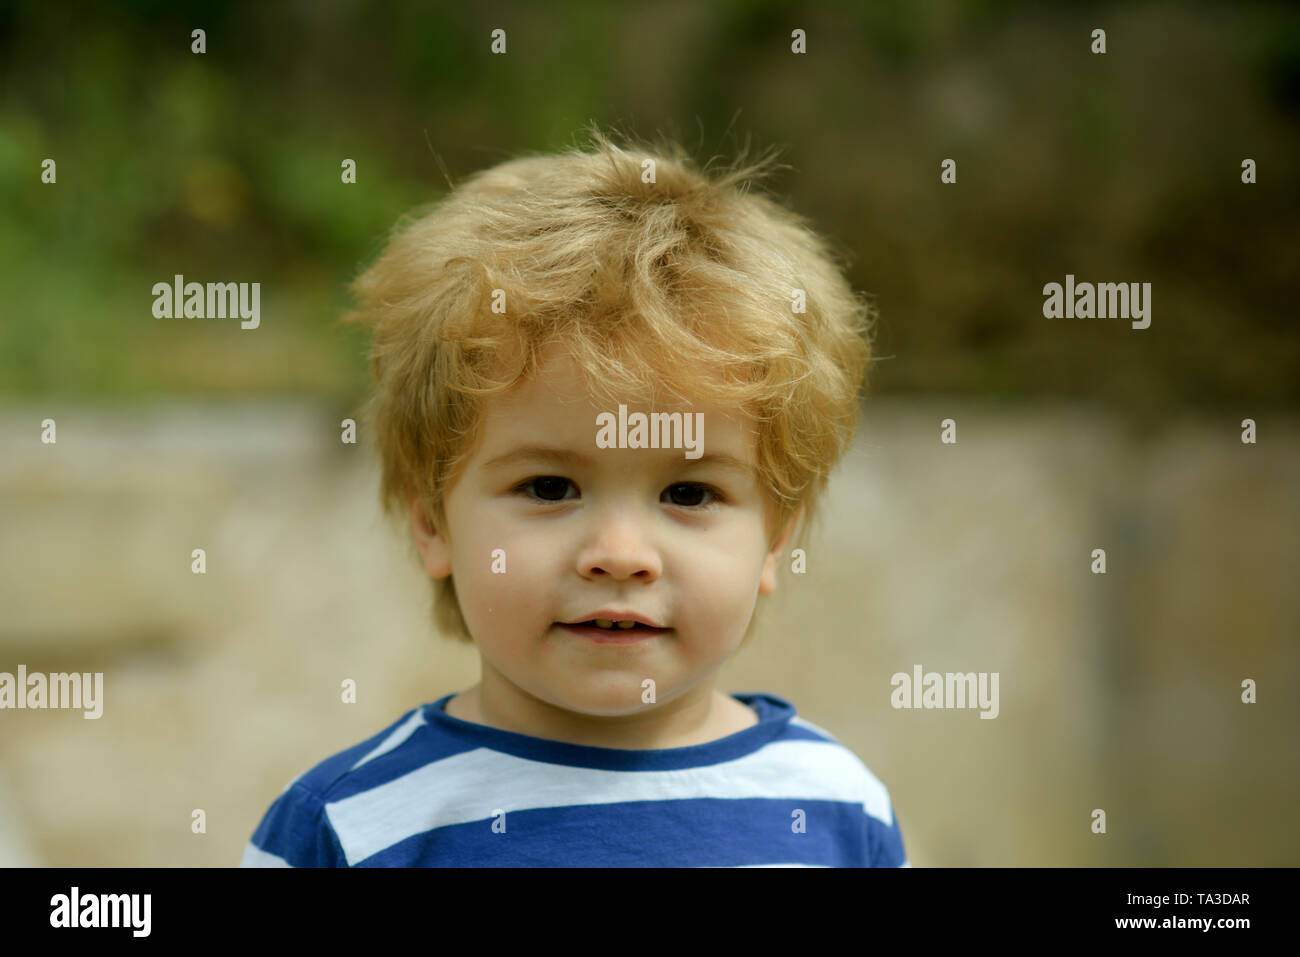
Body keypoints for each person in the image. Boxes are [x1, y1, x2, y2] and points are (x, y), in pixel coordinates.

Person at [241, 126, 908, 867]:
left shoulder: (838, 811)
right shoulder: (352, 827)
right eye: (550, 486)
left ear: (775, 539)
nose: (619, 554)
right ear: (433, 520)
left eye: (689, 491)